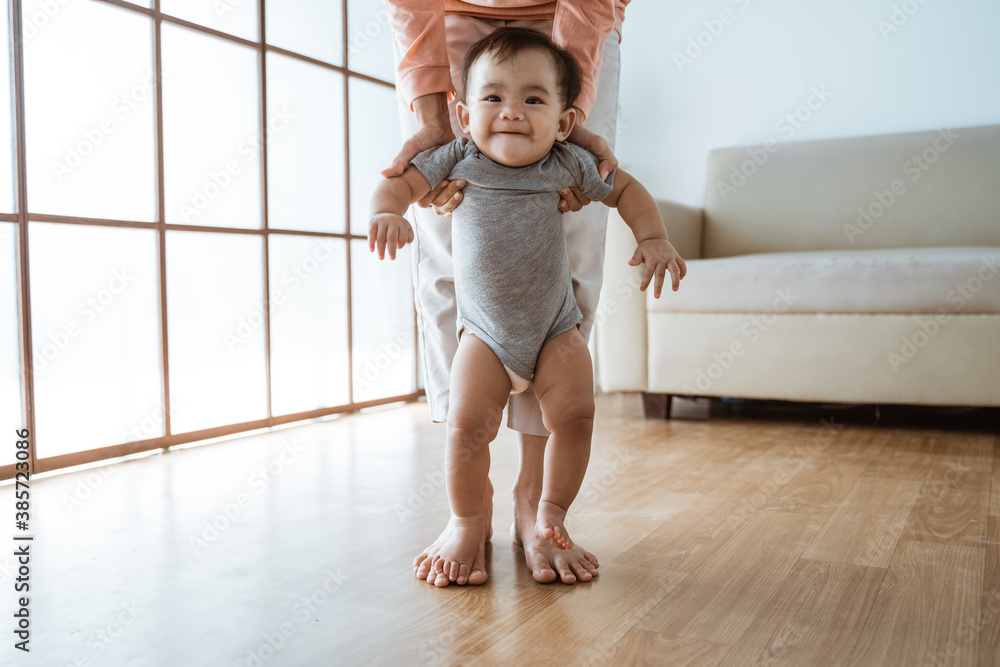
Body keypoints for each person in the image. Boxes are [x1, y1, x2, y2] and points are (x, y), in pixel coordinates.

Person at [370, 27, 686, 586]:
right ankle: (469, 519)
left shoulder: (566, 163)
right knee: (467, 427)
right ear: (464, 115)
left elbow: (629, 190)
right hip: (484, 337)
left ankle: (549, 516)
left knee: (576, 418)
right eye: (493, 98)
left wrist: (653, 237)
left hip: (555, 329)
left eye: (533, 100)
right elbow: (397, 184)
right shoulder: (455, 156)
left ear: (564, 123)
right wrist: (389, 213)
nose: (511, 112)